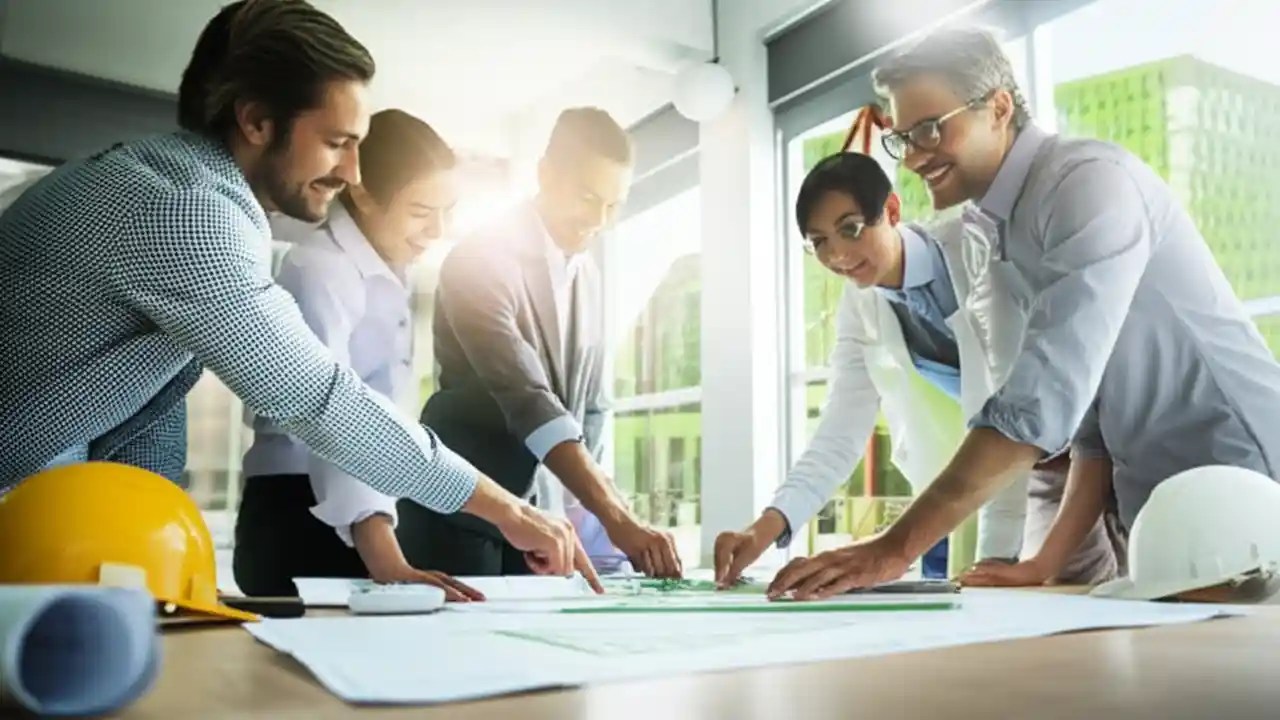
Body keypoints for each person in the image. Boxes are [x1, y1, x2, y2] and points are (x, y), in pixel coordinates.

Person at [0, 0, 598, 592]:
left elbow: (146, 413)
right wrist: (507, 511)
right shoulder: (187, 212)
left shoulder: (177, 189)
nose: (355, 173)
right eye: (338, 141)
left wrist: (158, 583)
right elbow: (317, 398)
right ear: (257, 122)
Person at [767, 24, 1280, 600]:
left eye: (930, 129)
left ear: (999, 107)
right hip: (1162, 512)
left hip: (1243, 480)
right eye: (903, 138)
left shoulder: (1088, 184)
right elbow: (1091, 426)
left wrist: (893, 548)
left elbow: (1039, 400)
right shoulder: (999, 231)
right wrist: (1043, 563)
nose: (912, 157)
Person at [712, 152, 1121, 589]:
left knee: (1124, 589)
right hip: (1016, 473)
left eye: (850, 229)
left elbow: (1024, 396)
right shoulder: (861, 305)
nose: (838, 254)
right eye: (820, 241)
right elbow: (839, 433)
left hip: (1093, 446)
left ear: (891, 210)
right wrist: (768, 525)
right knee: (1050, 596)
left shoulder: (980, 248)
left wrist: (994, 553)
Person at [400, 108, 683, 579]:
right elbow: (526, 395)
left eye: (613, 205)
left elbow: (589, 408)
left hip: (538, 522)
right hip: (460, 512)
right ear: (546, 174)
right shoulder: (481, 257)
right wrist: (618, 520)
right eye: (588, 197)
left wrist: (596, 520)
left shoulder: (588, 277)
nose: (599, 220)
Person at [234, 109, 484, 599]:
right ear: (363, 193)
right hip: (297, 511)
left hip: (363, 512)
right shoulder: (320, 270)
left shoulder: (391, 268)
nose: (437, 230)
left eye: (447, 211)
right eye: (421, 211)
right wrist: (384, 555)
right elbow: (330, 415)